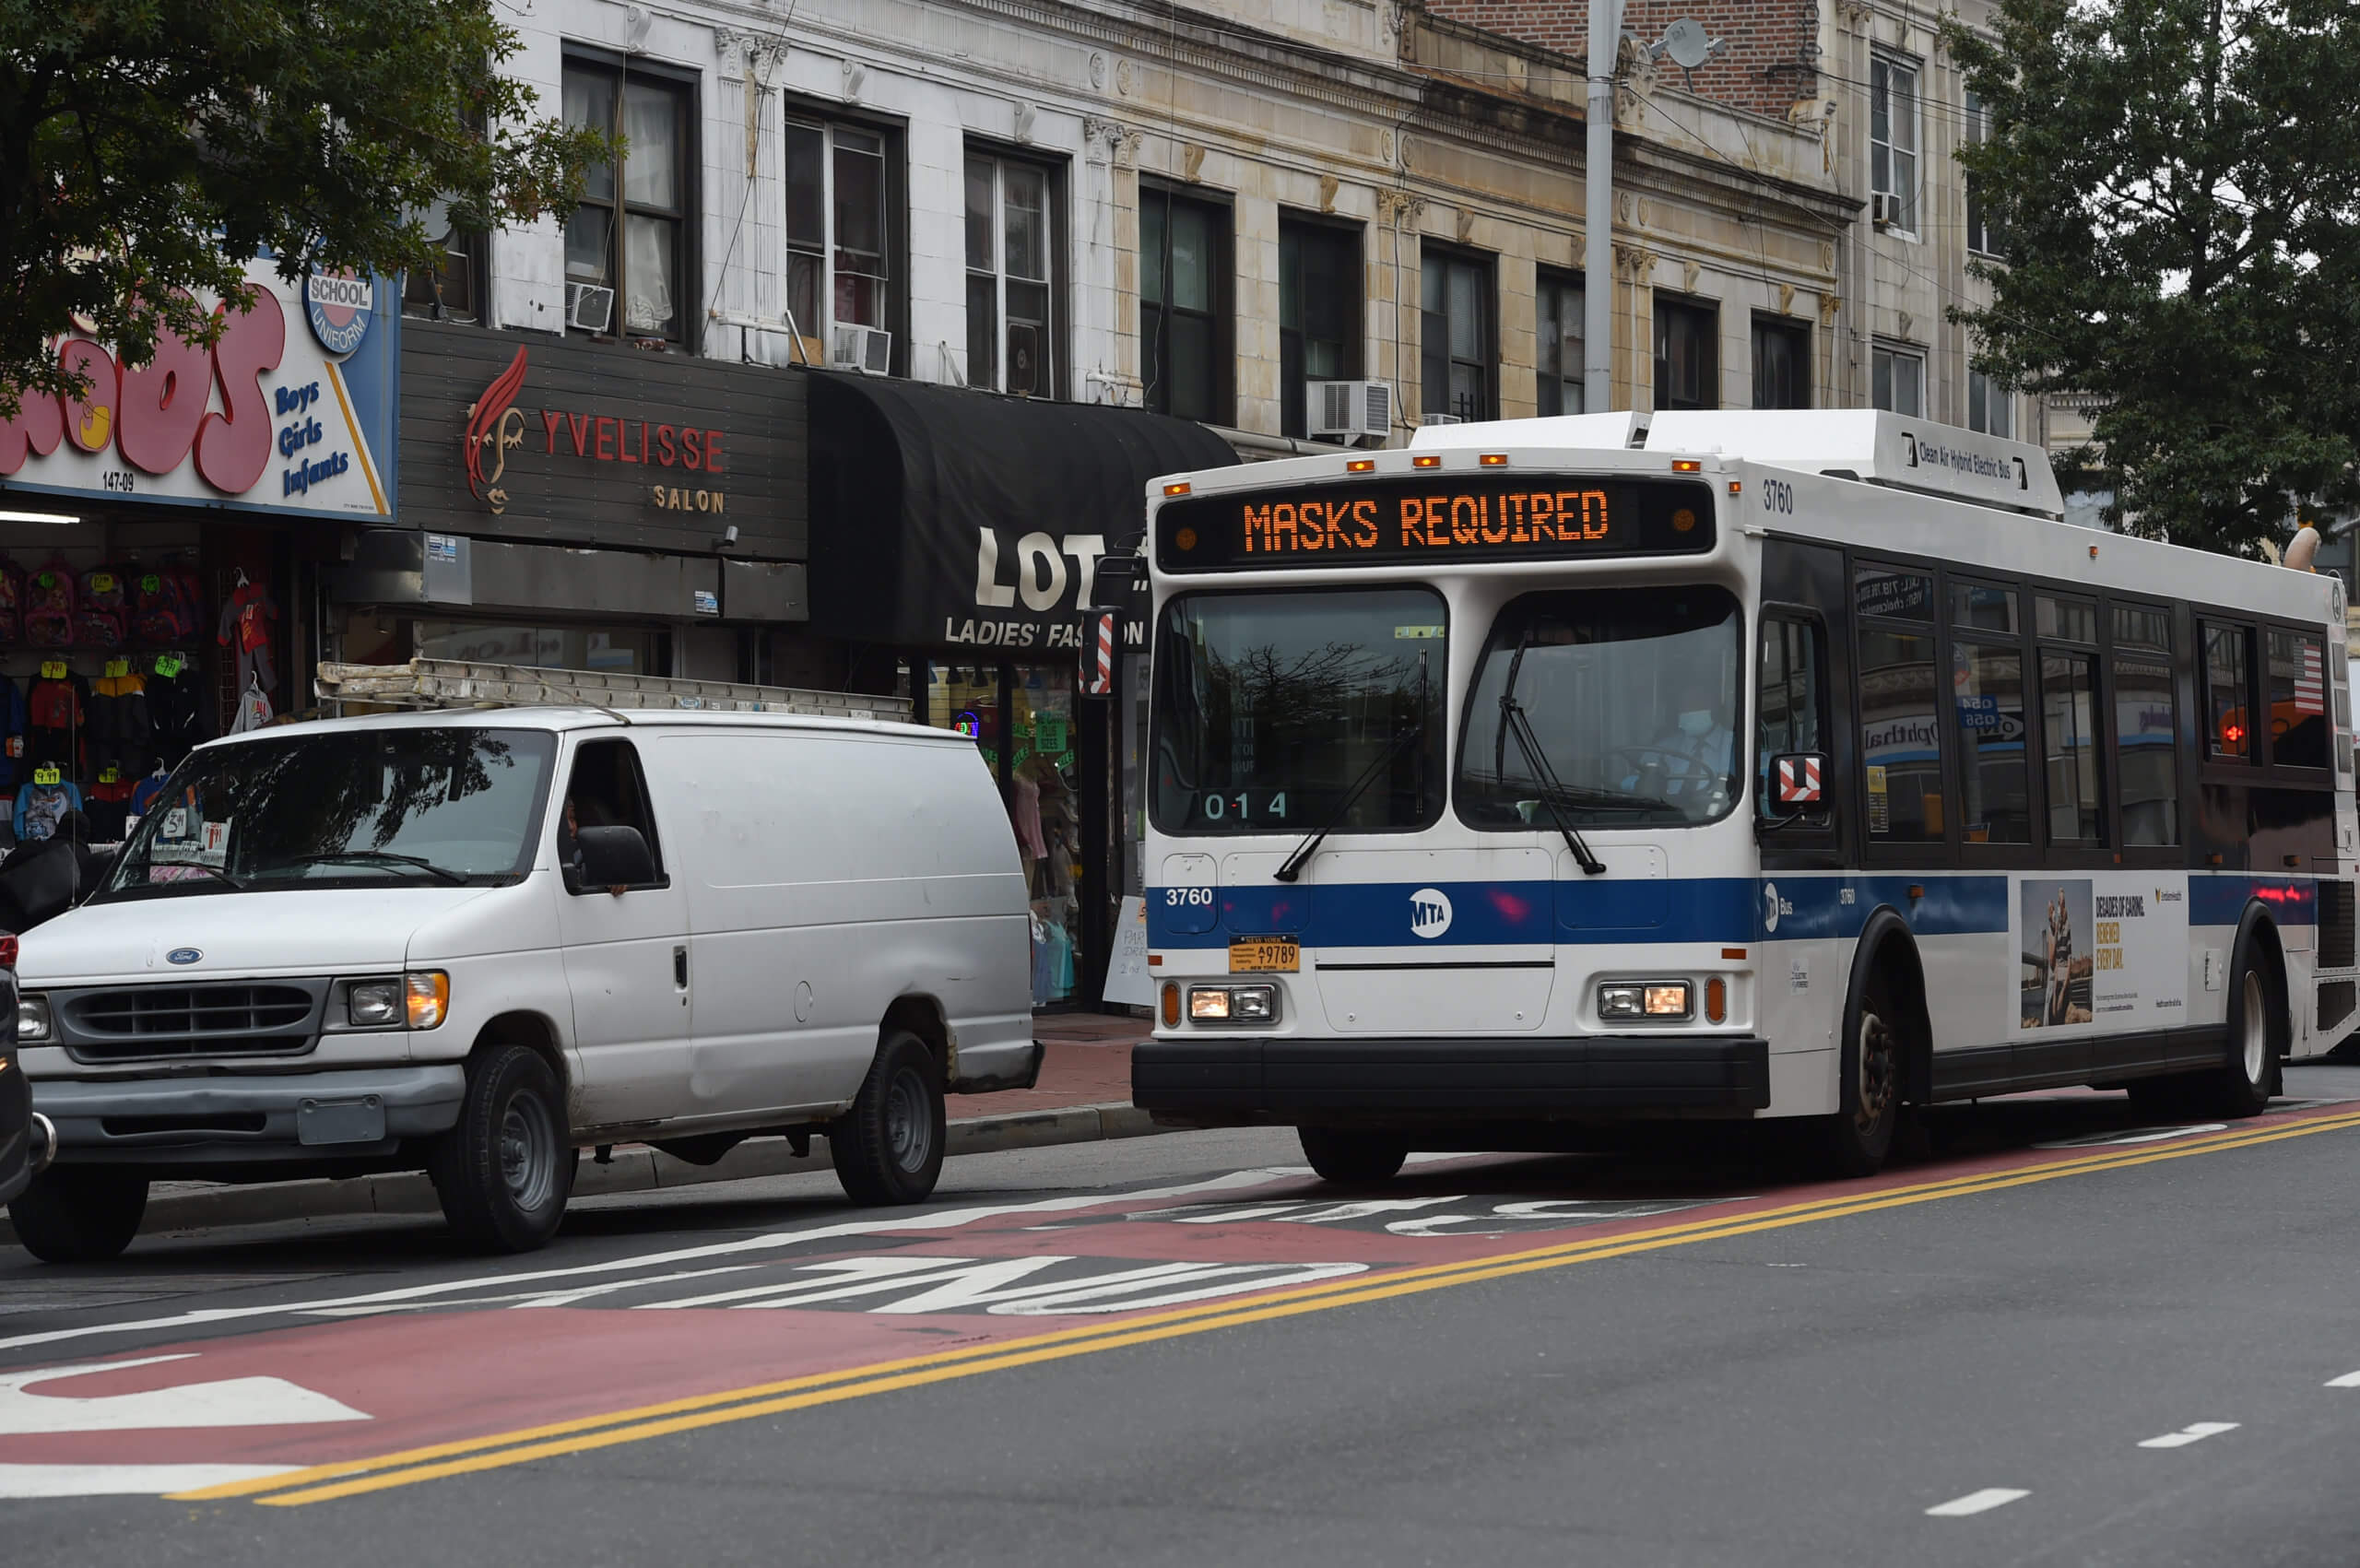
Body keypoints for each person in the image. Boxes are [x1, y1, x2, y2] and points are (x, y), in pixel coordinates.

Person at [1624, 667, 1735, 814]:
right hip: (1667, 819)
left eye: (1697, 703)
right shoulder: (1664, 746)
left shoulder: (1733, 745)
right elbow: (1628, 784)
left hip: (1717, 819)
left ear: (1714, 706)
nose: (1690, 710)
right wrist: (1646, 780)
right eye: (1685, 705)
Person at [559, 794, 628, 897]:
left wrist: (616, 878)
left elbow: (605, 869)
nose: (570, 827)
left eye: (573, 819)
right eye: (562, 822)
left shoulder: (587, 855)